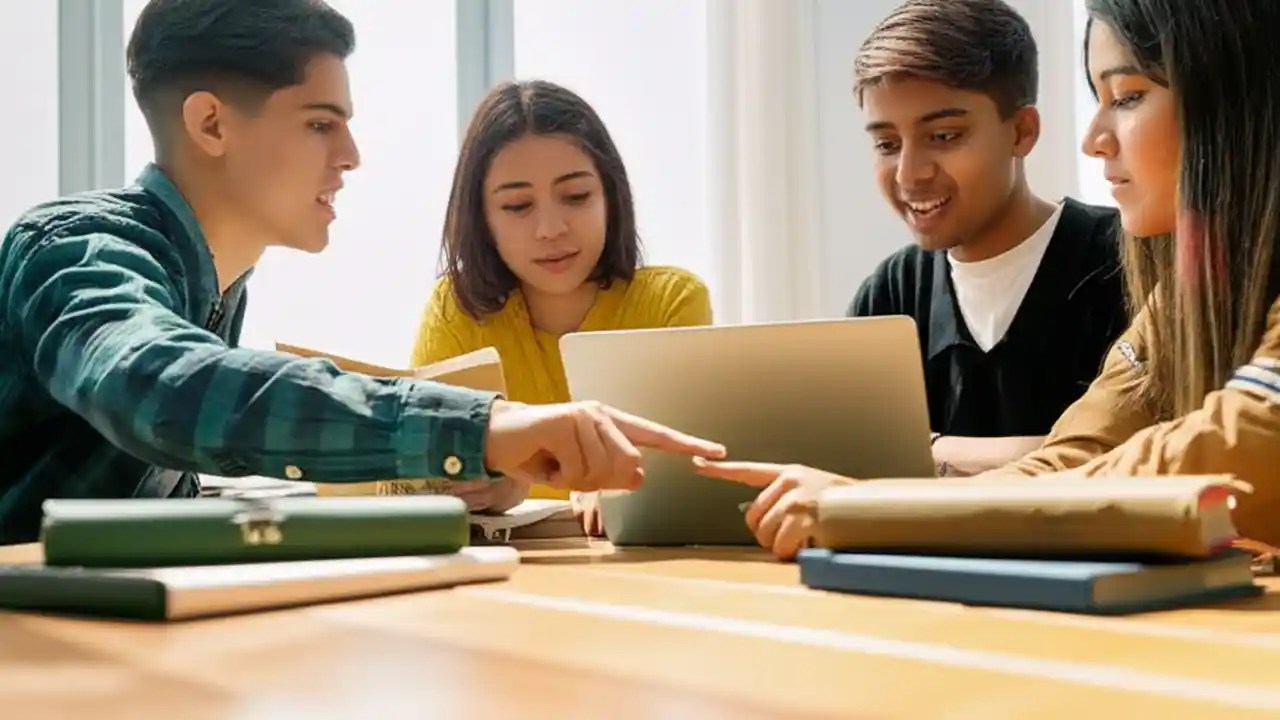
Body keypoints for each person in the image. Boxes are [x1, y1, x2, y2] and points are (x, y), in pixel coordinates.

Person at [0, 0, 724, 545]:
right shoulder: (75, 247)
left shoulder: (212, 289)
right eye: (321, 122)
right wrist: (483, 427)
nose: (351, 154)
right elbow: (160, 387)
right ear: (211, 124)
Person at [696, 0, 1280, 559]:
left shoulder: (1115, 257)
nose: (1094, 138)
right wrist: (874, 504)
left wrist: (875, 503)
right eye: (885, 143)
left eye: (1127, 97)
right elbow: (1073, 456)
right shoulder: (1186, 291)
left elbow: (1220, 452)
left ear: (1234, 100)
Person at [408, 79, 712, 532]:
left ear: (610, 196)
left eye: (576, 197)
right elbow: (426, 468)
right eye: (517, 206)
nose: (550, 228)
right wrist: (501, 487)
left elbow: (688, 474)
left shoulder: (672, 303)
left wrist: (617, 484)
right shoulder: (456, 310)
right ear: (482, 218)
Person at [847, 0, 1127, 477]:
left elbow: (1145, 455)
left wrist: (929, 450)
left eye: (943, 136)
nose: (910, 175)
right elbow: (850, 458)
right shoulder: (890, 294)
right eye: (887, 145)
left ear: (1021, 132)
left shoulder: (1123, 262)